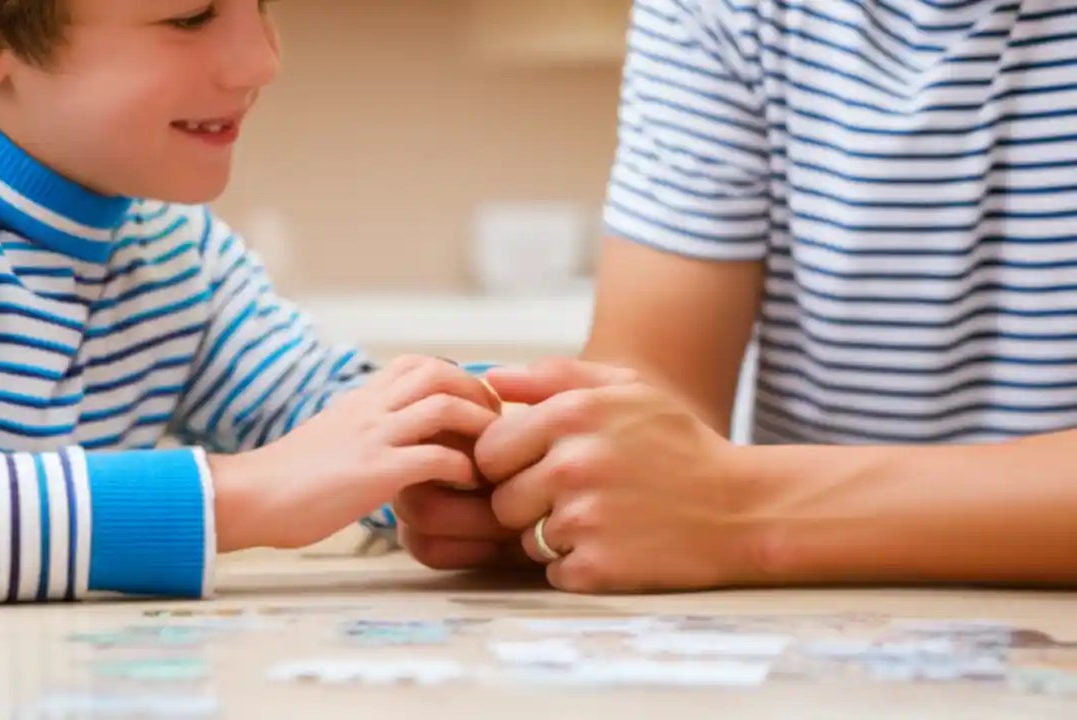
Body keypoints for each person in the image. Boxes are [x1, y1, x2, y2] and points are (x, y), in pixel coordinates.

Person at [0, 0, 499, 606]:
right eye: (189, 16)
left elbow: (335, 419)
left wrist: (499, 448)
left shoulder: (174, 249)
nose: (261, 62)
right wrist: (244, 495)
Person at [397, 0, 1077, 593]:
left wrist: (743, 511)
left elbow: (710, 497)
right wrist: (567, 480)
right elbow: (656, 393)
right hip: (816, 631)